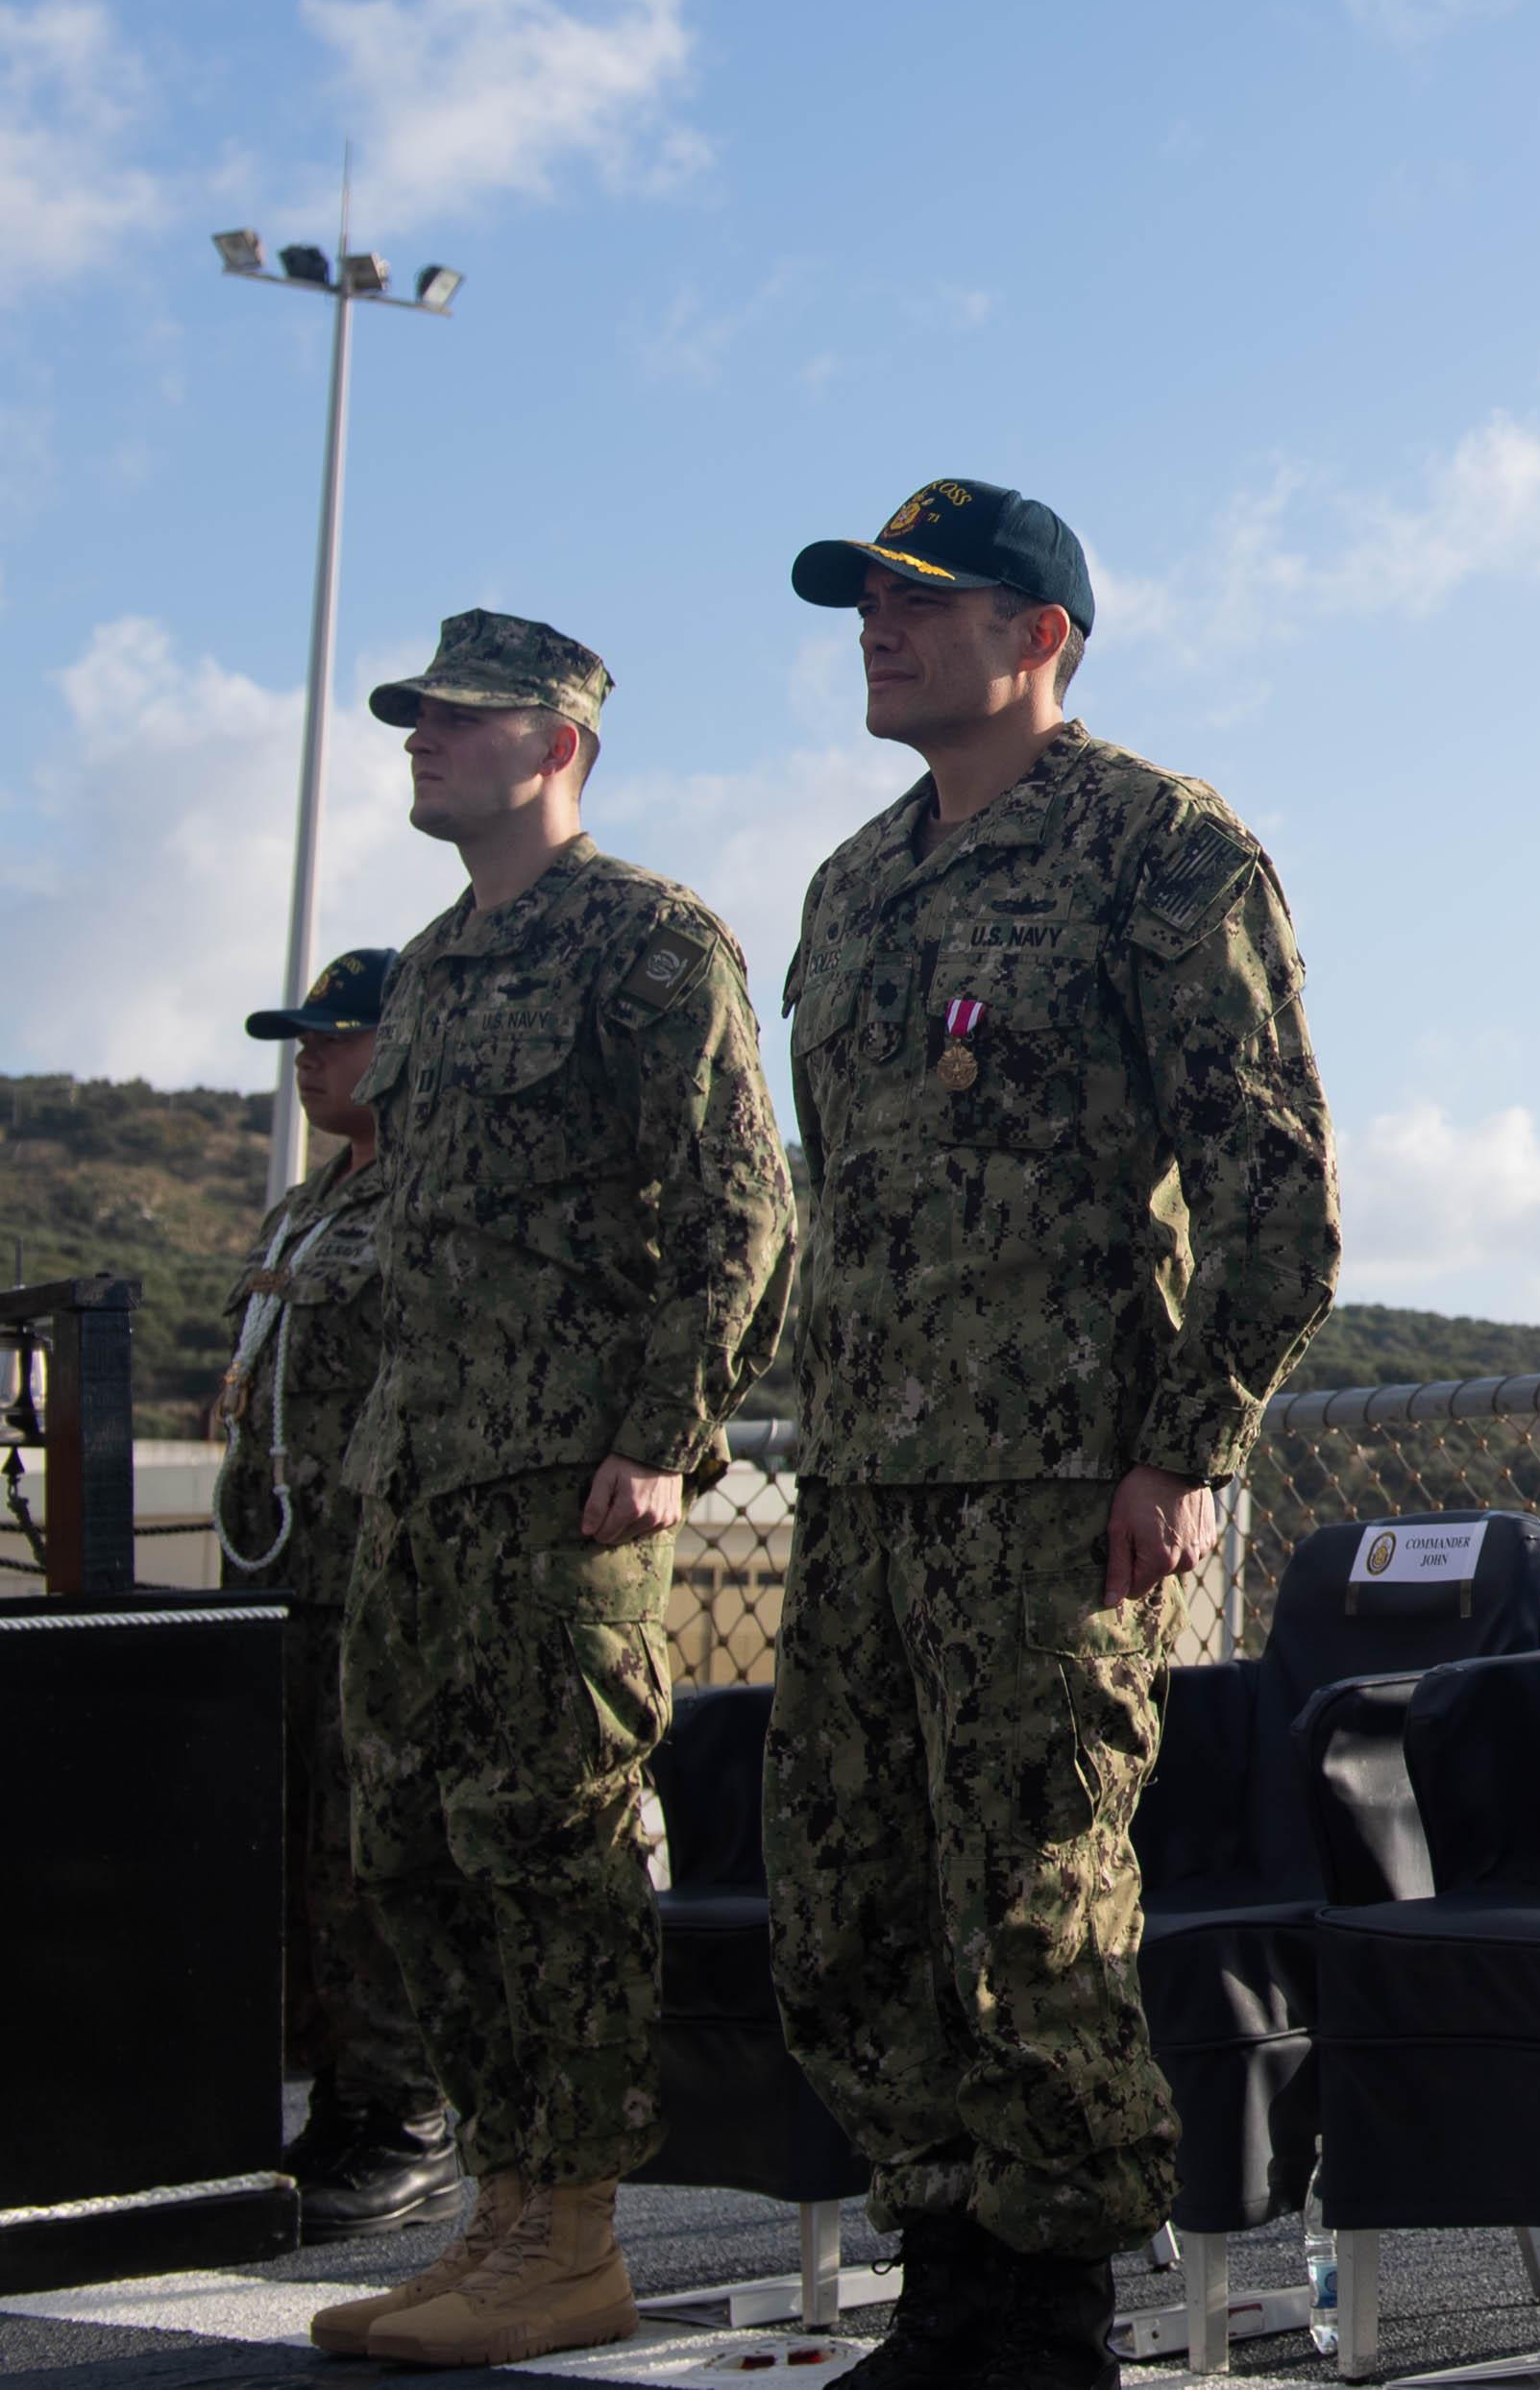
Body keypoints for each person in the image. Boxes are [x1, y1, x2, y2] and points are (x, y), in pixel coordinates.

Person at [763, 479, 1339, 2390]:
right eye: (868, 601)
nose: (882, 626)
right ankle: (952, 2288)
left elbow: (1273, 1185)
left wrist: (1184, 1448)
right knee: (852, 1909)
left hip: (1055, 1492)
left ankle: (1052, 2320)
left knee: (1032, 1911)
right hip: (861, 1484)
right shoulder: (855, 891)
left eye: (926, 601)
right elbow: (833, 1192)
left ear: (1040, 636)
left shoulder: (1157, 848)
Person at [311, 613, 796, 2366]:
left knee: (552, 1846)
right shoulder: (432, 967)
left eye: (458, 719)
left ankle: (573, 2229)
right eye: (416, 720)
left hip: (566, 1488)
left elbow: (744, 1206)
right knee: (414, 1853)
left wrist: (663, 1437)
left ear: (559, 742)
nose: (421, 741)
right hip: (418, 1478)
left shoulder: (649, 940)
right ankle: (499, 2205)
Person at [217, 944, 462, 2242]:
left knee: (378, 1852)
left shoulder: (432, 1197)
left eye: (335, 1036)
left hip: (382, 1576)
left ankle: (405, 2114)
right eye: (303, 1039)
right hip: (284, 1579)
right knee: (304, 1854)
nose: (312, 1060)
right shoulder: (304, 1210)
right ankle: (336, 2103)